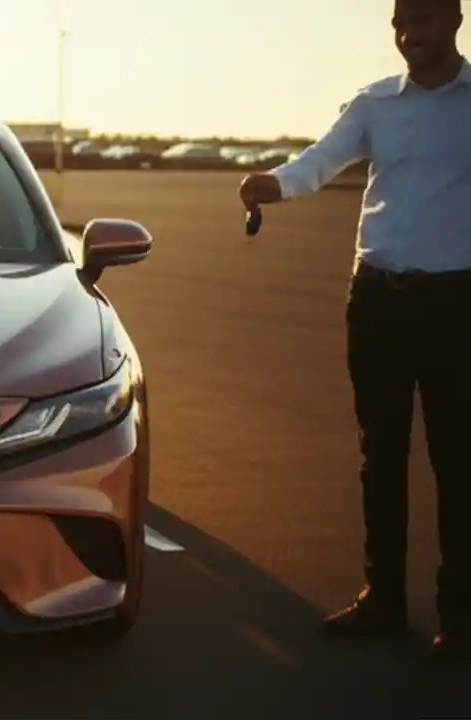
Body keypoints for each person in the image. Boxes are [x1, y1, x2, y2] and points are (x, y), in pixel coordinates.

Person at [239, 0, 470, 662]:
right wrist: (272, 185)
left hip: (457, 303)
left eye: (421, 22)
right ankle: (384, 598)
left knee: (458, 461)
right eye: (399, 24)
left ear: (454, 20)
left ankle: (461, 615)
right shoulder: (376, 104)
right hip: (378, 300)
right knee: (382, 454)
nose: (408, 36)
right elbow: (321, 160)